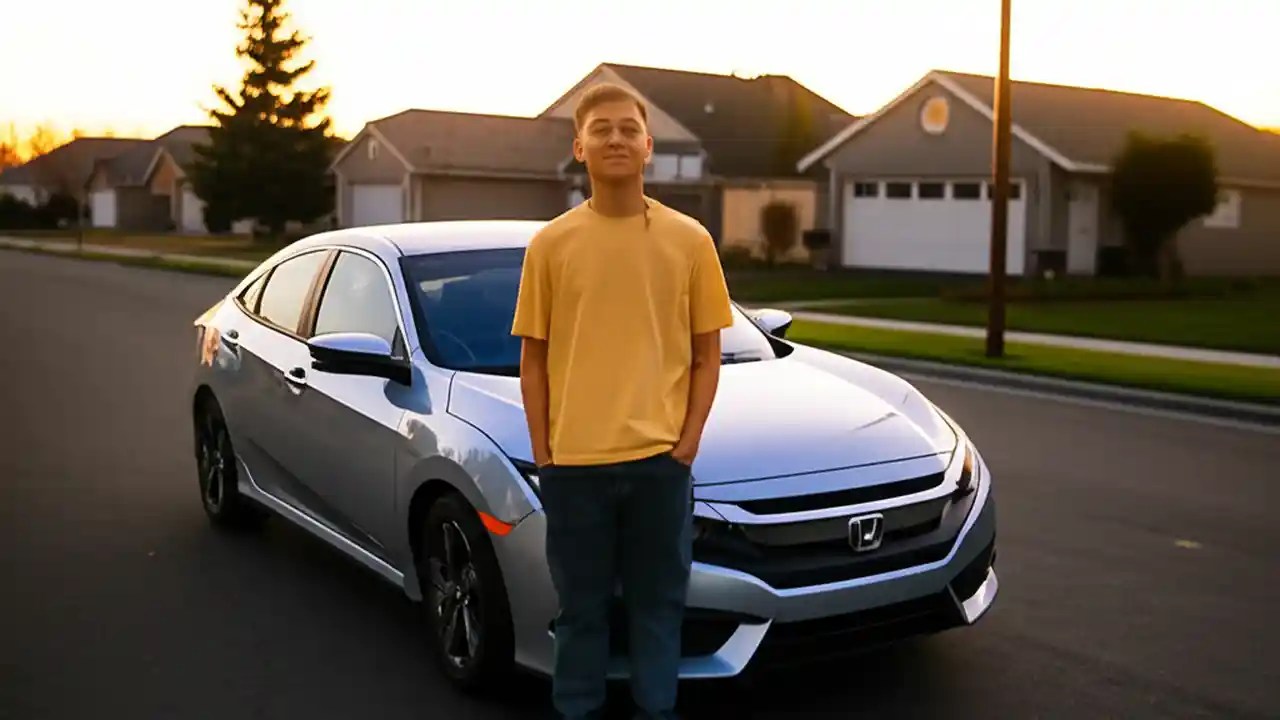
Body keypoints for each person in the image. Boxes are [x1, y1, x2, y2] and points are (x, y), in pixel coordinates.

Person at [510, 82, 733, 720]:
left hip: (660, 467)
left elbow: (706, 357)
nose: (615, 138)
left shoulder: (690, 242)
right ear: (579, 146)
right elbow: (534, 360)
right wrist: (546, 455)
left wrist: (683, 448)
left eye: (628, 129)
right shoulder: (550, 245)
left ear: (648, 146)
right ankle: (577, 709)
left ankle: (655, 711)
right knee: (580, 613)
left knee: (658, 610)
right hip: (574, 470)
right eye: (601, 129)